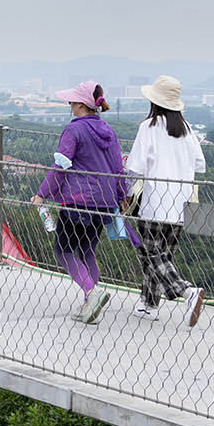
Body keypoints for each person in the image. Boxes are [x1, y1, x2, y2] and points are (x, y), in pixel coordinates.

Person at [33, 81, 126, 323]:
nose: (69, 105)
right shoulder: (108, 130)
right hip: (104, 201)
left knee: (63, 250)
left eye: (72, 101)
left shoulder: (73, 131)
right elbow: (118, 168)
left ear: (81, 104)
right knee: (86, 250)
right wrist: (121, 196)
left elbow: (60, 167)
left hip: (77, 201)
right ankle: (89, 306)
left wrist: (42, 193)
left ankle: (91, 292)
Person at [125, 75, 208, 326]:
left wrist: (126, 192)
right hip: (181, 205)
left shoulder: (148, 127)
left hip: (154, 202)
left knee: (151, 254)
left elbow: (135, 167)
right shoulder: (188, 129)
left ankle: (186, 291)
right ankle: (149, 305)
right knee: (163, 257)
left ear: (154, 102)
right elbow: (200, 165)